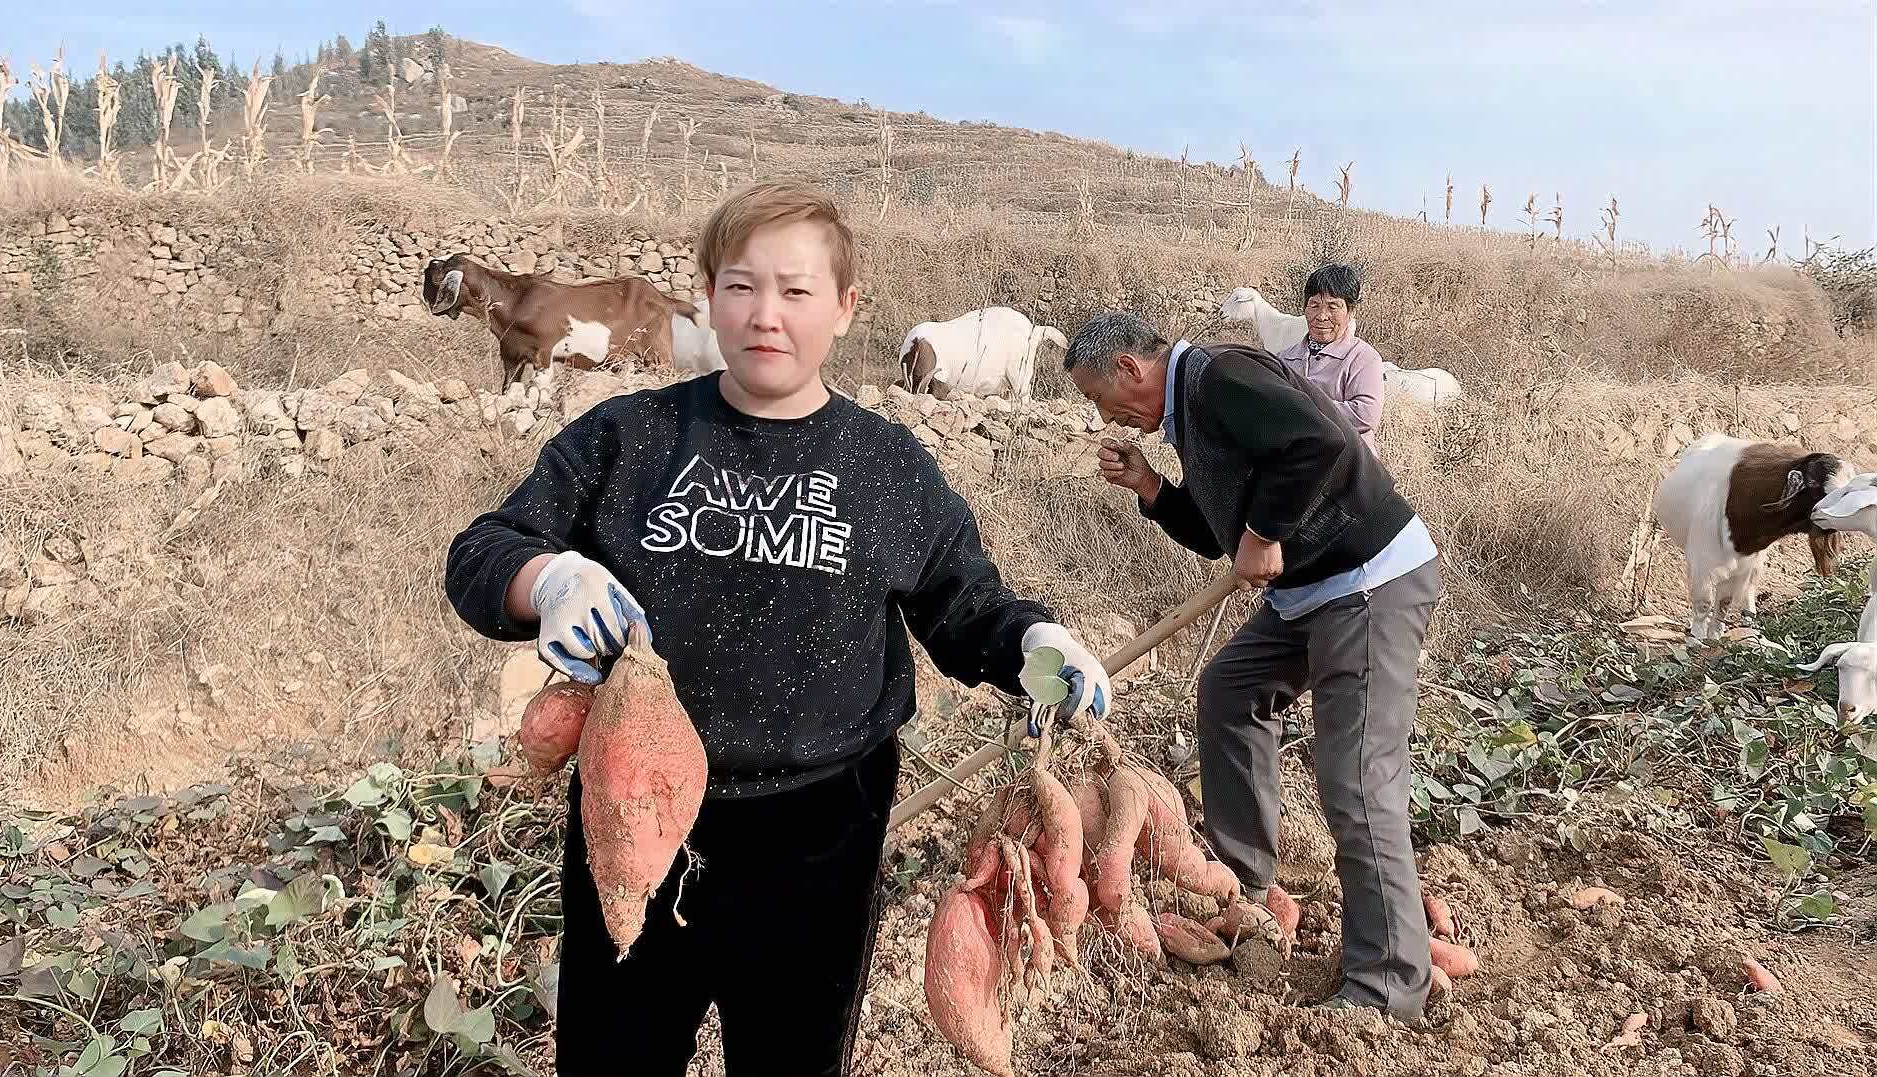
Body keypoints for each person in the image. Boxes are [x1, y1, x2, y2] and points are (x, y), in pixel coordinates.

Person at [442, 179, 1111, 1077]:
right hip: (633, 816)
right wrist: (547, 578)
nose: (767, 314)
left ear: (844, 308)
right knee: (612, 1057)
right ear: (709, 296)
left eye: (796, 291)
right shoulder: (630, 436)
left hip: (821, 835)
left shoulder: (884, 465)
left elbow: (964, 603)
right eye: (741, 285)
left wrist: (1034, 640)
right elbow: (483, 550)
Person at [1059, 310, 1442, 1027]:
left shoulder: (1219, 378)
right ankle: (1241, 882)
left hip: (1367, 582)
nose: (1100, 413)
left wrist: (1265, 533)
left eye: (1096, 396)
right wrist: (1151, 487)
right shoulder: (1190, 418)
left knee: (1356, 778)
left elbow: (1319, 443)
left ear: (1131, 372)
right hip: (1311, 592)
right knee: (1231, 689)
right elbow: (1223, 535)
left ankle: (1389, 986)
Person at [1280, 264, 1385, 455]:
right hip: (1297, 465)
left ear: (1350, 311)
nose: (1321, 316)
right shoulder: (1285, 358)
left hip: (1348, 467)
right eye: (1314, 305)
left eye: (1333, 306)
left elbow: (1366, 414)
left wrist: (1305, 409)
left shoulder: (1363, 358)